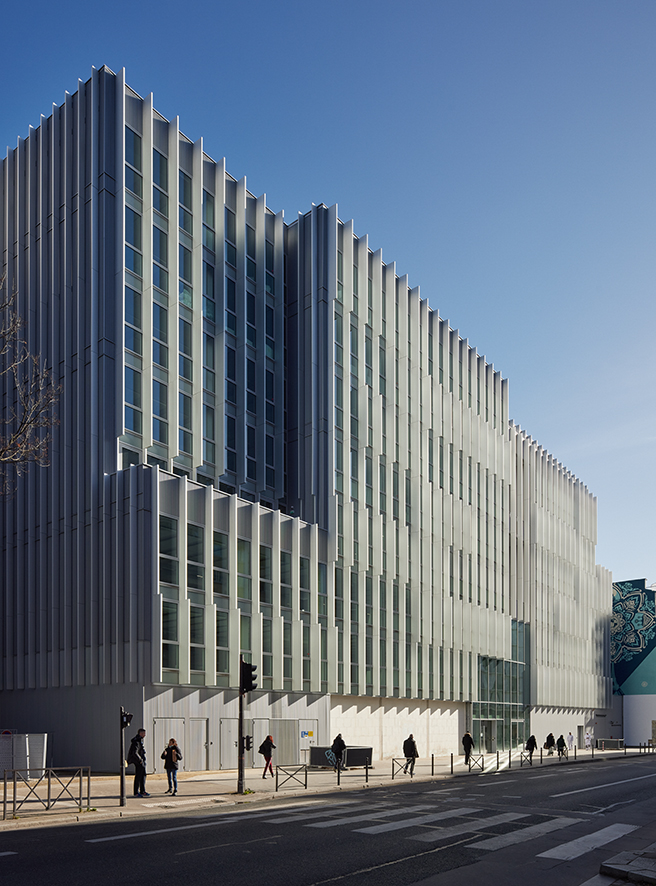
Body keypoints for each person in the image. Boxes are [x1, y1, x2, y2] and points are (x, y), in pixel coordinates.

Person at [127, 727, 150, 797]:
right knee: (138, 776)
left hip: (141, 760)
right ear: (140, 733)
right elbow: (135, 752)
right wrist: (140, 760)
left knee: (143, 776)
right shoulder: (136, 741)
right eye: (144, 733)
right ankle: (136, 792)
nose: (145, 735)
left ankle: (142, 791)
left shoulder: (139, 740)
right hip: (138, 761)